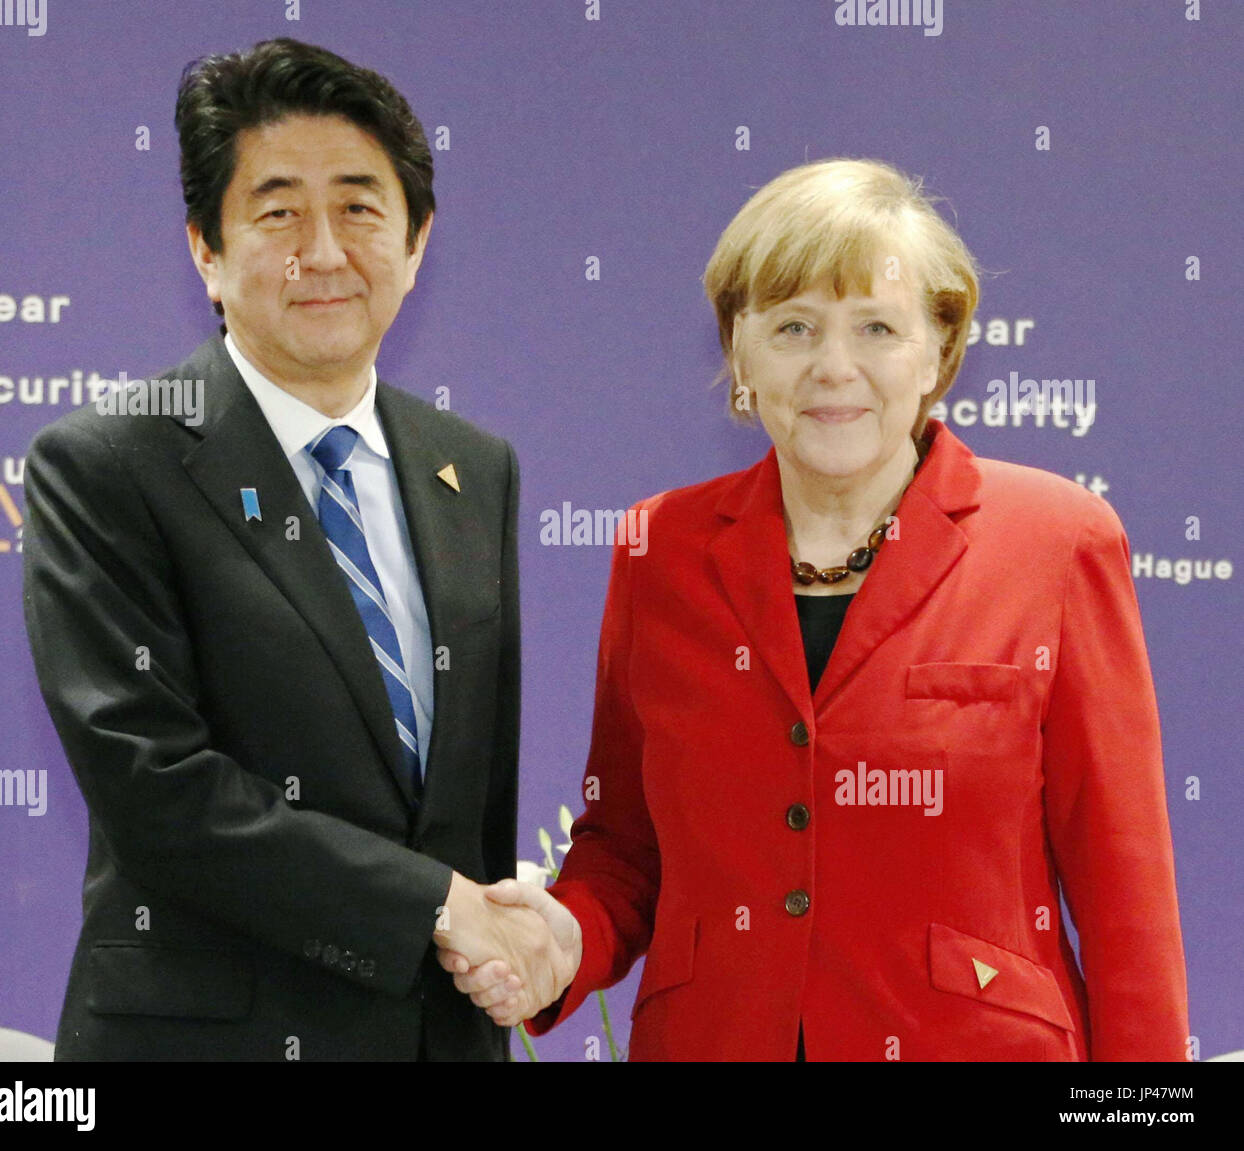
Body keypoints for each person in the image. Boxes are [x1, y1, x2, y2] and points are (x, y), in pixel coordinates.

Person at [445, 158, 1190, 1061]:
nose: (834, 368)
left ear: (937, 352)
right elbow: (626, 848)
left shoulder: (1058, 540)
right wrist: (566, 940)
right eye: (793, 326)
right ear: (741, 352)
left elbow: (1126, 897)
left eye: (876, 327)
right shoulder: (661, 548)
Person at [22, 37, 574, 1061]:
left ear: (416, 242)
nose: (323, 250)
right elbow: (159, 790)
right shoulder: (107, 464)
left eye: (361, 207)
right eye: (276, 211)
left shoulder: (472, 467)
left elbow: (463, 807)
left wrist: (501, 931)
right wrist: (436, 904)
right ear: (205, 248)